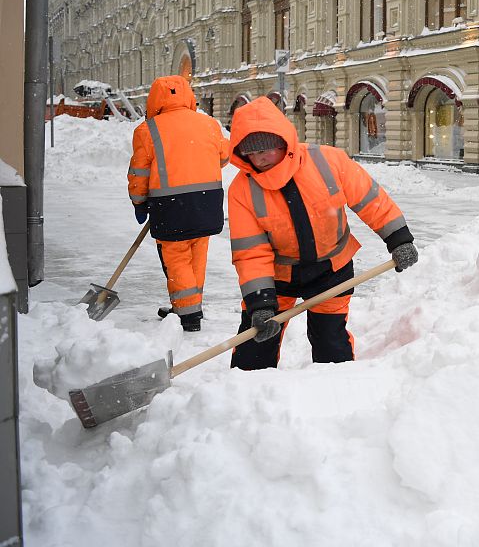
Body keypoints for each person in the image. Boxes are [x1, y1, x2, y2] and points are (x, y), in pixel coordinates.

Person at [226, 96, 418, 370]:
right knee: (254, 347)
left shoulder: (327, 160)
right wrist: (260, 303)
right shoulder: (242, 190)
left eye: (267, 148)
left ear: (284, 141)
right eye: (252, 152)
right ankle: (243, 400)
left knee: (331, 344)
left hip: (331, 268)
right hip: (277, 276)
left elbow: (370, 199)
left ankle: (336, 396)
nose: (261, 157)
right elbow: (251, 251)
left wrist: (398, 238)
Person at [128, 75, 229, 331]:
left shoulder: (147, 130)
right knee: (197, 256)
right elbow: (224, 156)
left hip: (169, 205)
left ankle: (188, 315)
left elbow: (139, 172)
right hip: (207, 201)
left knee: (176, 259)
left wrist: (139, 201)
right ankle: (190, 304)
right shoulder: (209, 124)